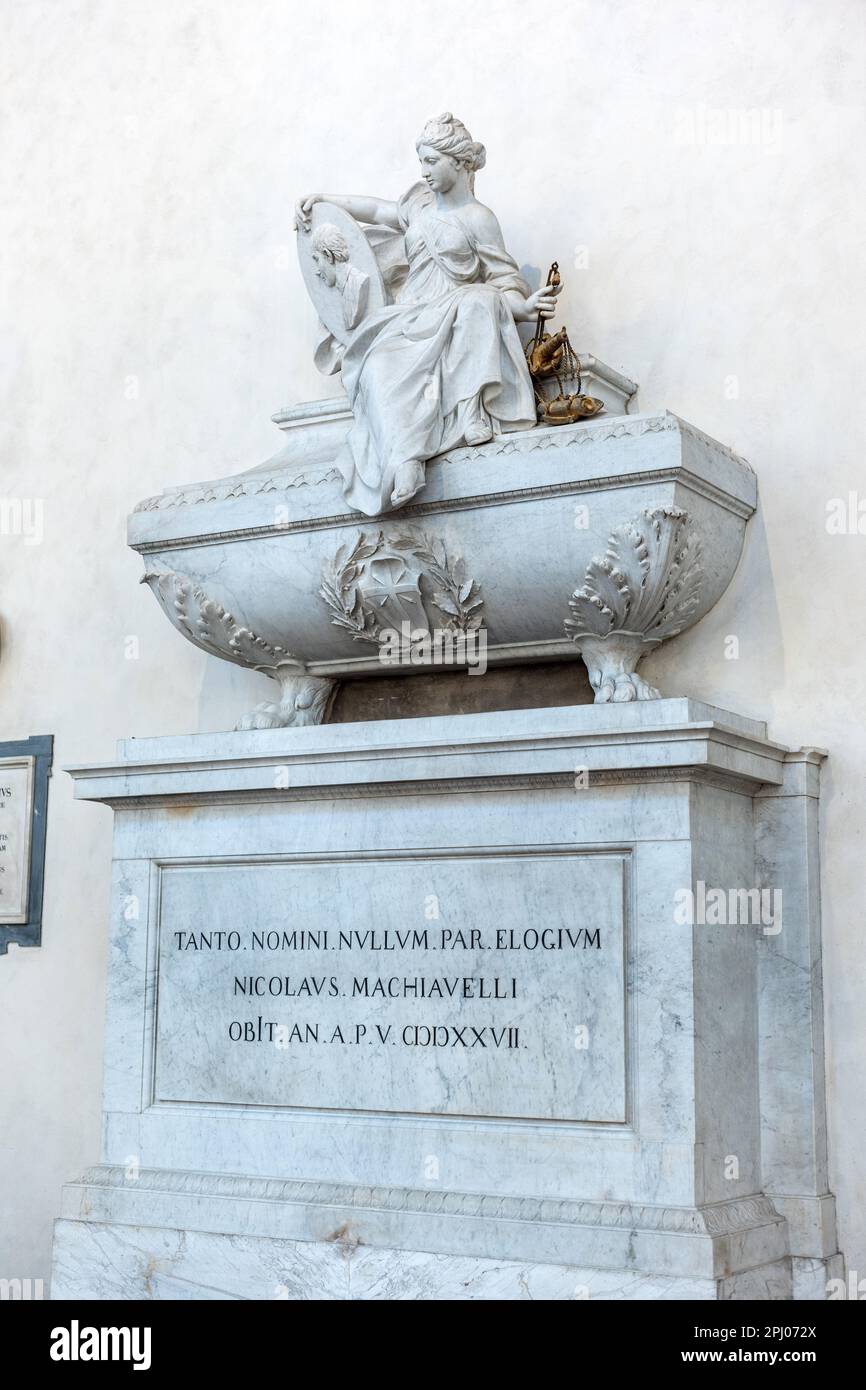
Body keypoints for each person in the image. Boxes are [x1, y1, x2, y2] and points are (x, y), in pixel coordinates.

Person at [295, 112, 562, 515]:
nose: (424, 172)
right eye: (421, 161)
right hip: (411, 318)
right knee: (378, 366)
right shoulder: (418, 209)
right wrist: (327, 201)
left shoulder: (478, 219)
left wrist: (523, 306)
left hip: (455, 314)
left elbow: (501, 280)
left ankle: (471, 409)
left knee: (478, 300)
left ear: (458, 162)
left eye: (431, 161)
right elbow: (378, 211)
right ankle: (405, 460)